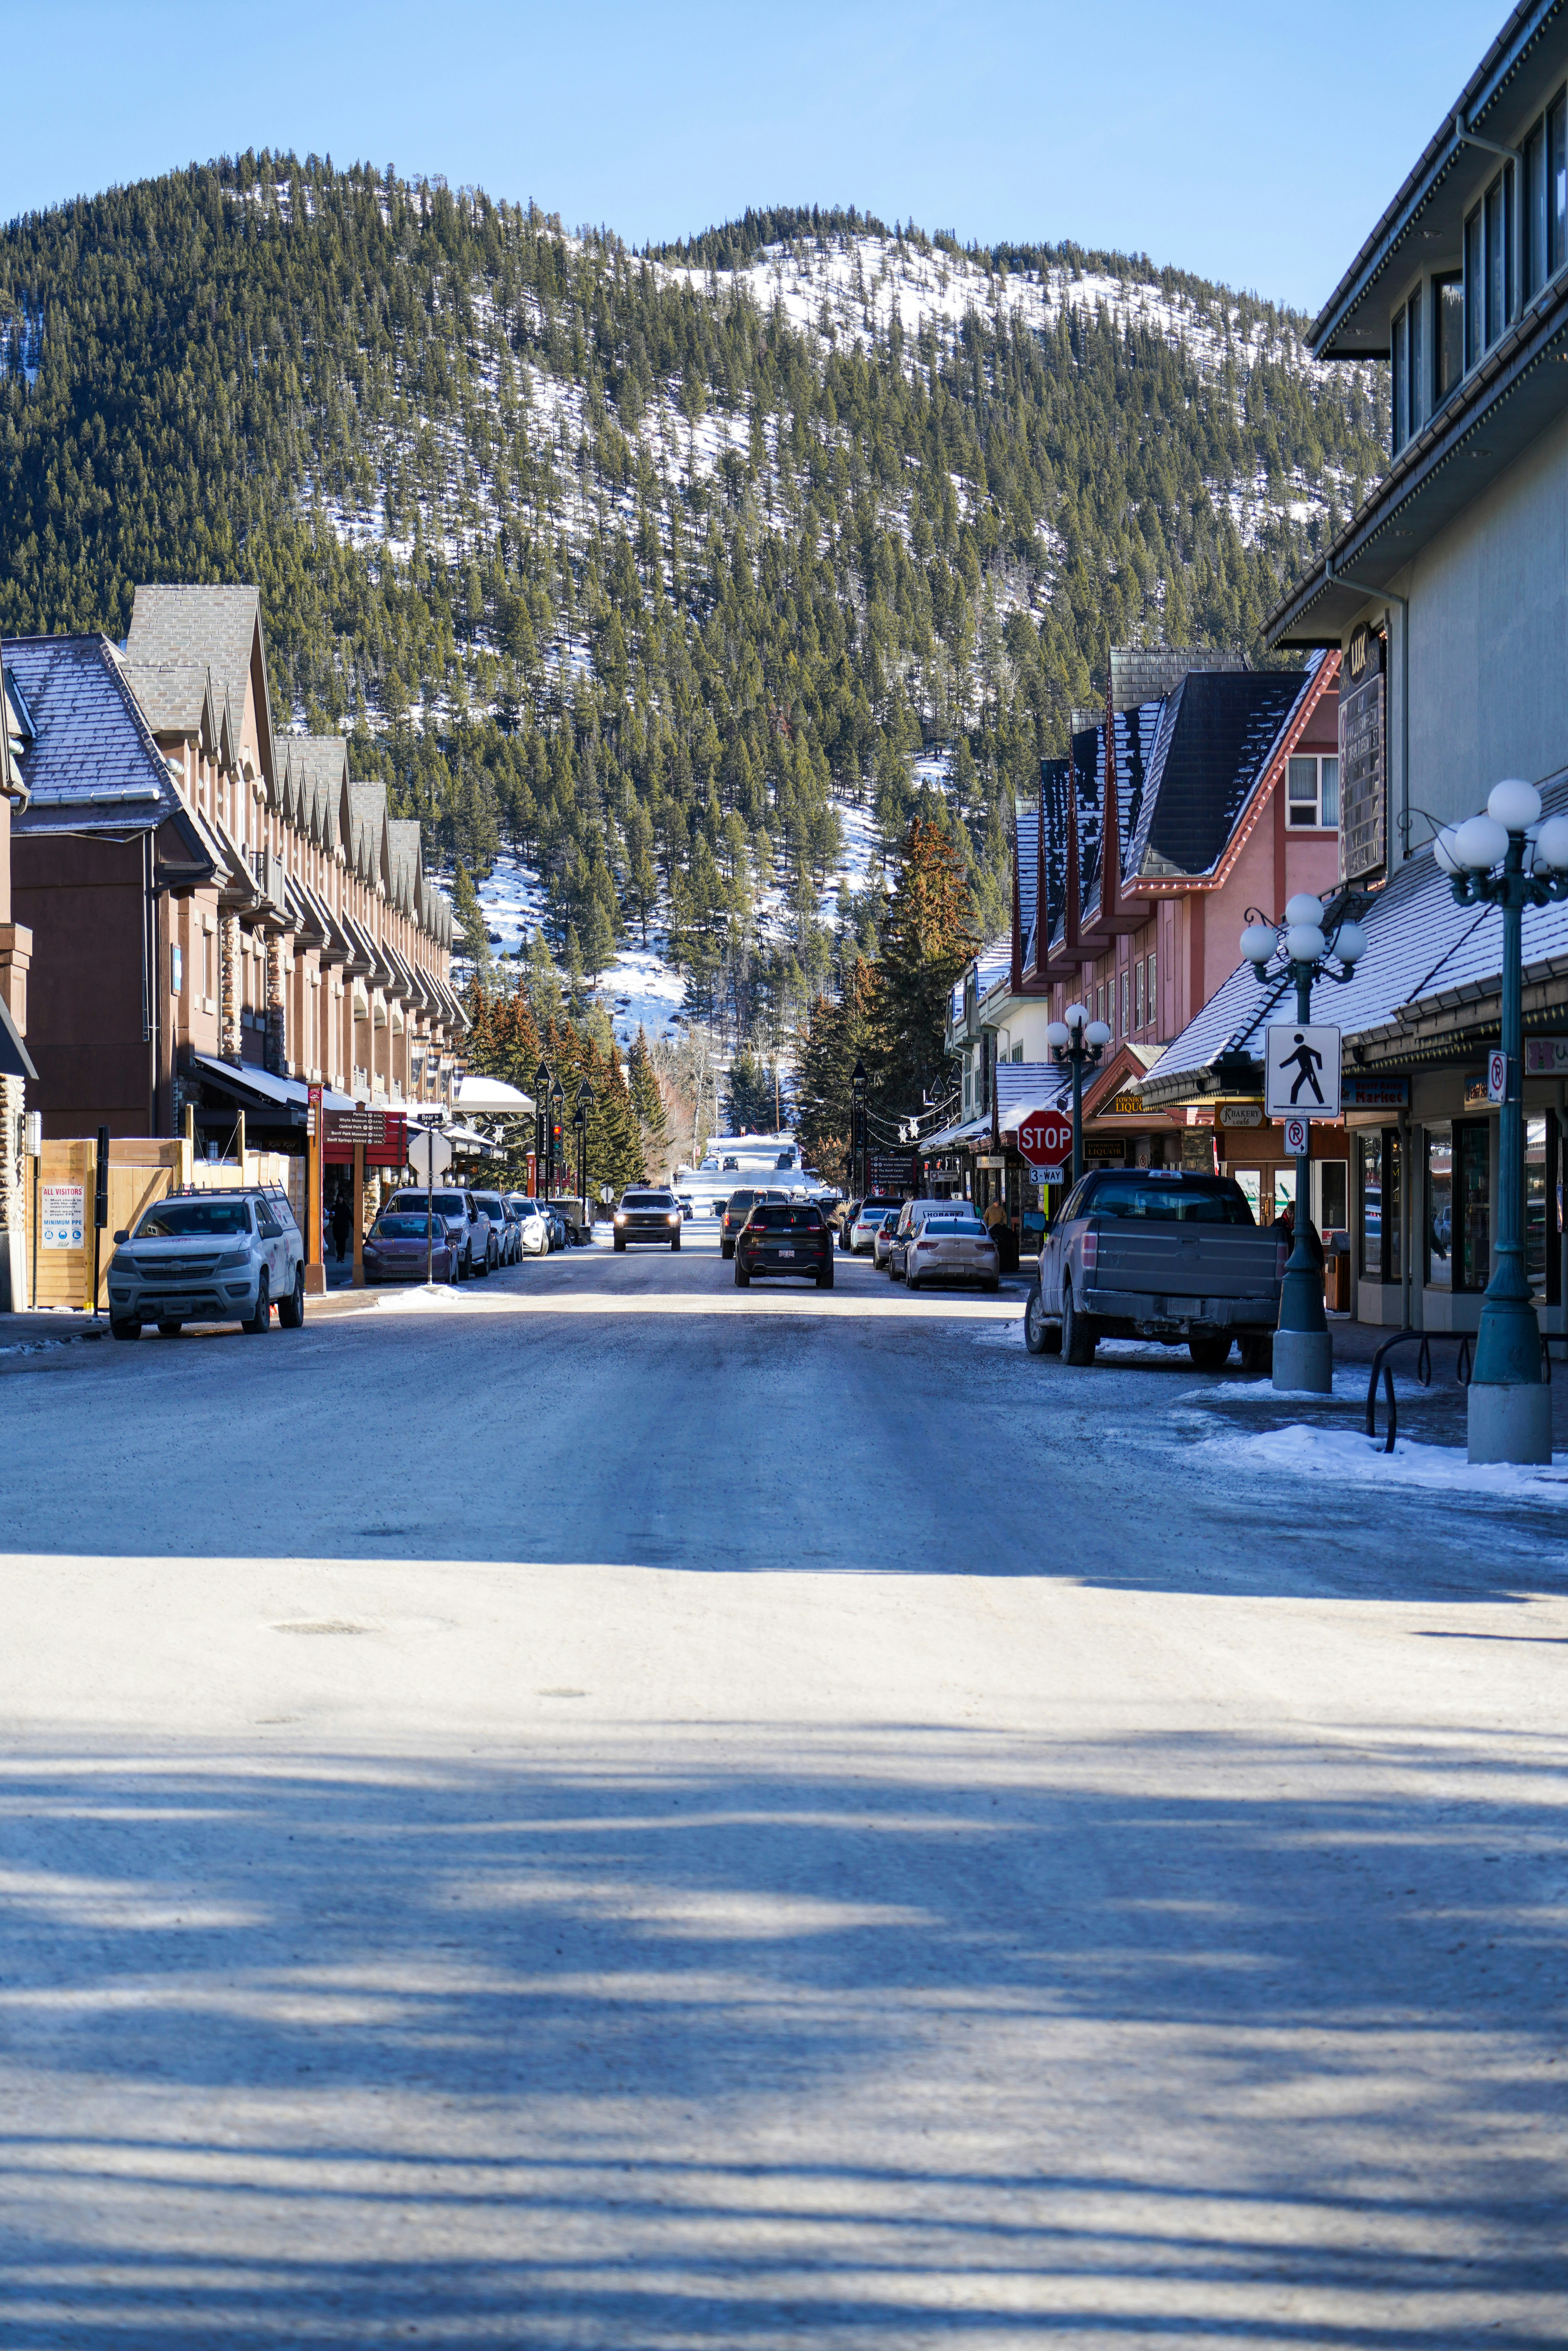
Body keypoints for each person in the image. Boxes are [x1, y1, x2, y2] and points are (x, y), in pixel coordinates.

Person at [331, 1193, 351, 1264]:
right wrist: (330, 1217)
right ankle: (339, 1256)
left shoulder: (347, 1208)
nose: (340, 1199)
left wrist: (355, 1226)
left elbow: (350, 1217)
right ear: (337, 1199)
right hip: (337, 1228)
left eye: (341, 1198)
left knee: (343, 1243)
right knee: (338, 1243)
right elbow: (331, 1219)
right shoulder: (334, 1208)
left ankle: (342, 1257)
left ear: (343, 1199)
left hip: (344, 1228)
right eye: (339, 1198)